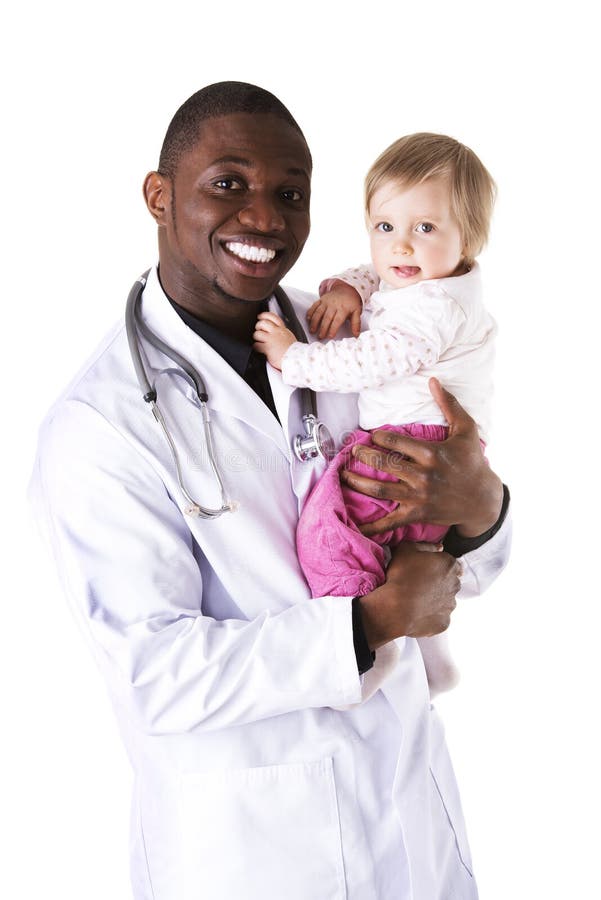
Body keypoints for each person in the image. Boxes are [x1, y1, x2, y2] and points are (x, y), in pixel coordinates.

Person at [29, 82, 511, 900]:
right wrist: (369, 622)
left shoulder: (348, 331)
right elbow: (157, 675)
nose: (264, 218)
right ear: (158, 195)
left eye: (290, 194)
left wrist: (480, 512)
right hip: (254, 856)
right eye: (228, 183)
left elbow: (455, 564)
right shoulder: (99, 426)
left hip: (410, 823)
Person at [253, 132, 497, 695]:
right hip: (432, 443)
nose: (401, 247)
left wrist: (295, 358)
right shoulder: (436, 279)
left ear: (470, 238)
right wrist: (347, 287)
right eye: (385, 226)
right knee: (413, 549)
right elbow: (379, 270)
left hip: (409, 445)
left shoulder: (434, 310)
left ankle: (368, 645)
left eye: (425, 228)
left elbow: (374, 360)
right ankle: (433, 656)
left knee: (329, 533)